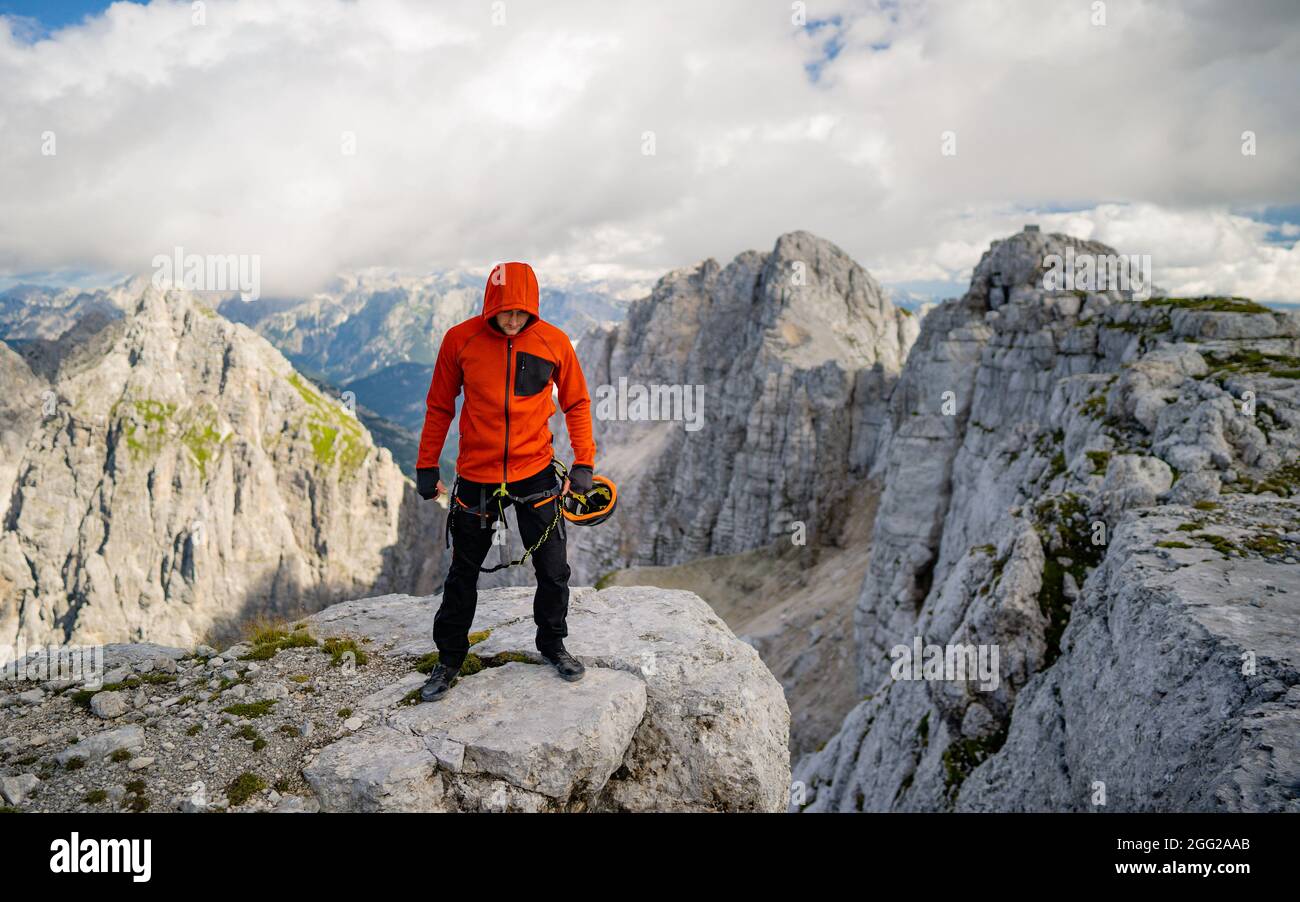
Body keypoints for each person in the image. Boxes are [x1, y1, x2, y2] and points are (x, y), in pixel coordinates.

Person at [414, 260, 597, 701]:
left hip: (535, 470)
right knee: (463, 572)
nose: (513, 321)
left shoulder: (553, 342)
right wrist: (427, 465)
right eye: (505, 312)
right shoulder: (460, 340)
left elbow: (577, 402)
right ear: (489, 306)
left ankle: (552, 644)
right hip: (476, 474)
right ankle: (450, 657)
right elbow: (440, 405)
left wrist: (584, 464)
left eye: (521, 313)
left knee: (553, 568)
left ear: (532, 309)